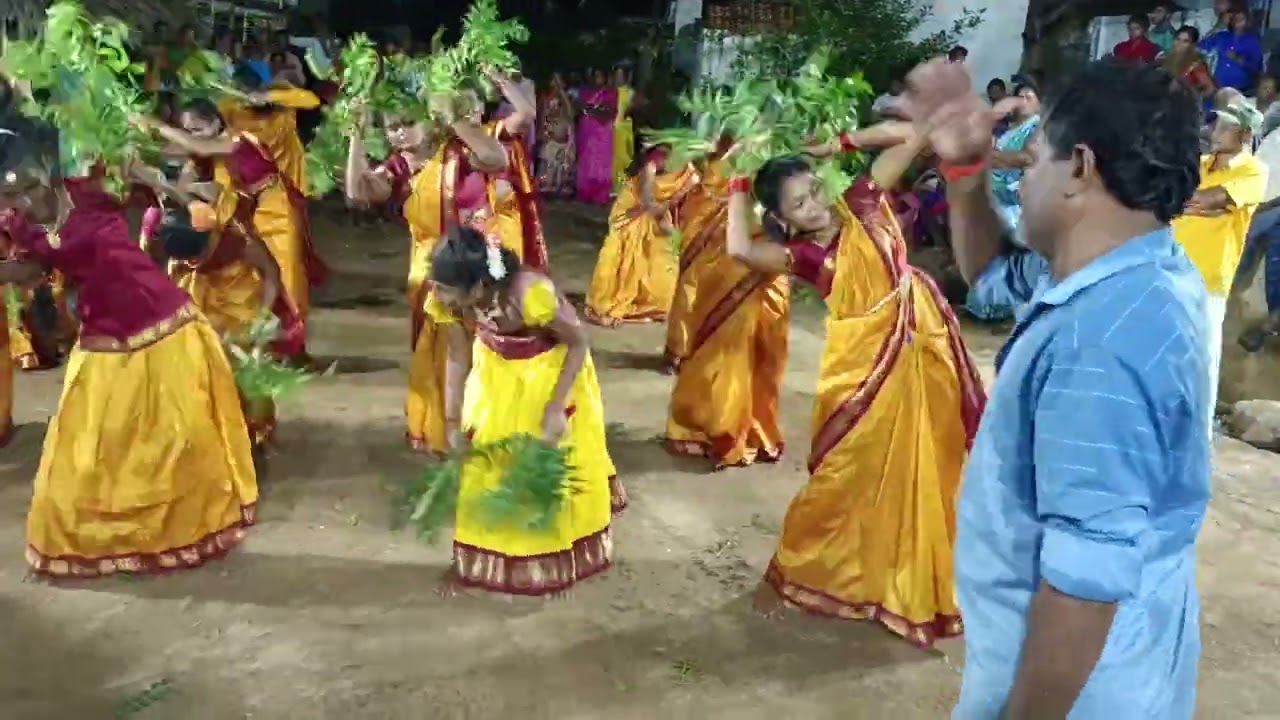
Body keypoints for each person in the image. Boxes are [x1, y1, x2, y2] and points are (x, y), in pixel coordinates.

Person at [905, 57, 1208, 718]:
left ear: (1081, 168)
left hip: (1078, 693)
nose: (1028, 173)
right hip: (1114, 669)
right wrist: (965, 172)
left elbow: (1084, 585)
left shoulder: (1102, 341)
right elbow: (989, 276)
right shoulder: (1125, 269)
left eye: (1037, 155)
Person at [725, 133, 985, 645]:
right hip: (858, 371)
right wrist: (736, 179)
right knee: (844, 475)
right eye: (799, 203)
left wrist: (839, 144)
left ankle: (901, 576)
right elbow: (737, 248)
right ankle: (804, 566)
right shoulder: (797, 255)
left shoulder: (863, 204)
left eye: (814, 190)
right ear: (785, 220)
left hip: (919, 352)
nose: (815, 205)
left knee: (923, 466)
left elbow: (912, 136)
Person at [0, 120, 257, 578]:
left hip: (164, 322)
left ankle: (176, 529)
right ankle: (102, 536)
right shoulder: (22, 227)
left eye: (23, 184)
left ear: (44, 168)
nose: (19, 199)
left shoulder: (91, 188)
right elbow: (33, 270)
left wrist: (156, 176)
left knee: (177, 438)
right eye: (7, 194)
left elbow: (163, 186)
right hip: (102, 334)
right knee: (93, 444)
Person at [428, 225, 626, 596]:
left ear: (476, 287)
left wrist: (555, 407)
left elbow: (579, 343)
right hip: (493, 373)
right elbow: (456, 357)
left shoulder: (530, 294)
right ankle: (491, 552)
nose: (436, 295)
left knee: (536, 468)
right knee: (489, 460)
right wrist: (452, 420)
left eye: (445, 288)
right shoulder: (447, 301)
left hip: (549, 374)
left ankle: (543, 557)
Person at [342, 83, 509, 453]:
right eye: (390, 126)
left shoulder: (459, 151)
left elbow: (498, 160)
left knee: (491, 338)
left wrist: (454, 120)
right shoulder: (398, 166)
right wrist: (355, 133)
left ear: (430, 121)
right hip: (434, 267)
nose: (399, 132)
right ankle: (448, 425)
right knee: (447, 348)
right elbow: (358, 194)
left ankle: (490, 422)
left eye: (407, 122)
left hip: (481, 258)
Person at [132, 92, 326, 363]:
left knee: (288, 278)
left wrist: (158, 126)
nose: (192, 136)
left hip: (275, 212)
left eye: (197, 129)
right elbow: (174, 153)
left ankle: (293, 350)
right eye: (187, 131)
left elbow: (198, 149)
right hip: (245, 213)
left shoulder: (237, 140)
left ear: (215, 123)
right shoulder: (202, 151)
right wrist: (134, 147)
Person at [140, 177, 299, 446]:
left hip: (238, 295)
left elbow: (271, 273)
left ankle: (251, 426)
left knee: (243, 363)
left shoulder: (237, 237)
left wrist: (262, 315)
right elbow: (151, 270)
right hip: (195, 292)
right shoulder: (160, 226)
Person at [1172, 100, 1266, 427]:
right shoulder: (1200, 164)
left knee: (1203, 361)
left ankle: (1198, 434)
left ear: (1244, 135)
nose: (1216, 131)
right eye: (1217, 124)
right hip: (1172, 271)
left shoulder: (1253, 170)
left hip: (1209, 278)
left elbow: (1213, 200)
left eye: (1226, 127)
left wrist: (1187, 203)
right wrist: (1193, 204)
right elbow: (1182, 198)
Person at [584, 146, 698, 326]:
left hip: (658, 212)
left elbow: (683, 201)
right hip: (633, 210)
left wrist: (671, 222)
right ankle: (614, 300)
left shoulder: (689, 169)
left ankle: (647, 302)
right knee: (623, 253)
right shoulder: (651, 164)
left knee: (658, 256)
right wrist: (666, 215)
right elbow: (648, 202)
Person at [576, 68, 617, 205]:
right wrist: (593, 110)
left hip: (603, 133)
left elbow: (610, 112)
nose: (597, 78)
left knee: (601, 164)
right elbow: (580, 107)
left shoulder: (610, 93)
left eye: (600, 76)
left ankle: (600, 195)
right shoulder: (586, 92)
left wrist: (592, 110)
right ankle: (585, 193)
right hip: (587, 133)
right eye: (595, 75)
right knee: (587, 163)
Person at [1201, 6, 1263, 93]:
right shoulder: (1221, 36)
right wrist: (1217, 26)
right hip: (1217, 88)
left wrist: (1239, 59)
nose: (1238, 20)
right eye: (1235, 18)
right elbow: (1201, 47)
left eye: (1242, 18)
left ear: (1248, 21)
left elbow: (1256, 69)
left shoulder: (1253, 42)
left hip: (1241, 91)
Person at [536, 71, 577, 197]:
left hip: (564, 140)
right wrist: (542, 133)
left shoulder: (567, 98)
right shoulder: (546, 97)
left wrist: (562, 93)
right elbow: (542, 115)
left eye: (559, 81)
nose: (556, 84)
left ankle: (561, 187)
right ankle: (547, 187)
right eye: (554, 80)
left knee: (562, 164)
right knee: (549, 163)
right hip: (550, 137)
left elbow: (571, 113)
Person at [1162, 26, 1217, 103]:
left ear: (1192, 44)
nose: (1179, 44)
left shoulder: (1196, 64)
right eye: (1178, 39)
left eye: (1185, 41)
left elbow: (1210, 89)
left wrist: (1190, 100)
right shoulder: (1168, 59)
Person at [611, 66, 636, 190]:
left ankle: (622, 187)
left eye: (620, 75)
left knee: (623, 158)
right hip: (610, 128)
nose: (618, 78)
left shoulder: (630, 92)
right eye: (616, 75)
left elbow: (630, 110)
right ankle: (611, 185)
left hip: (624, 128)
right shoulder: (609, 92)